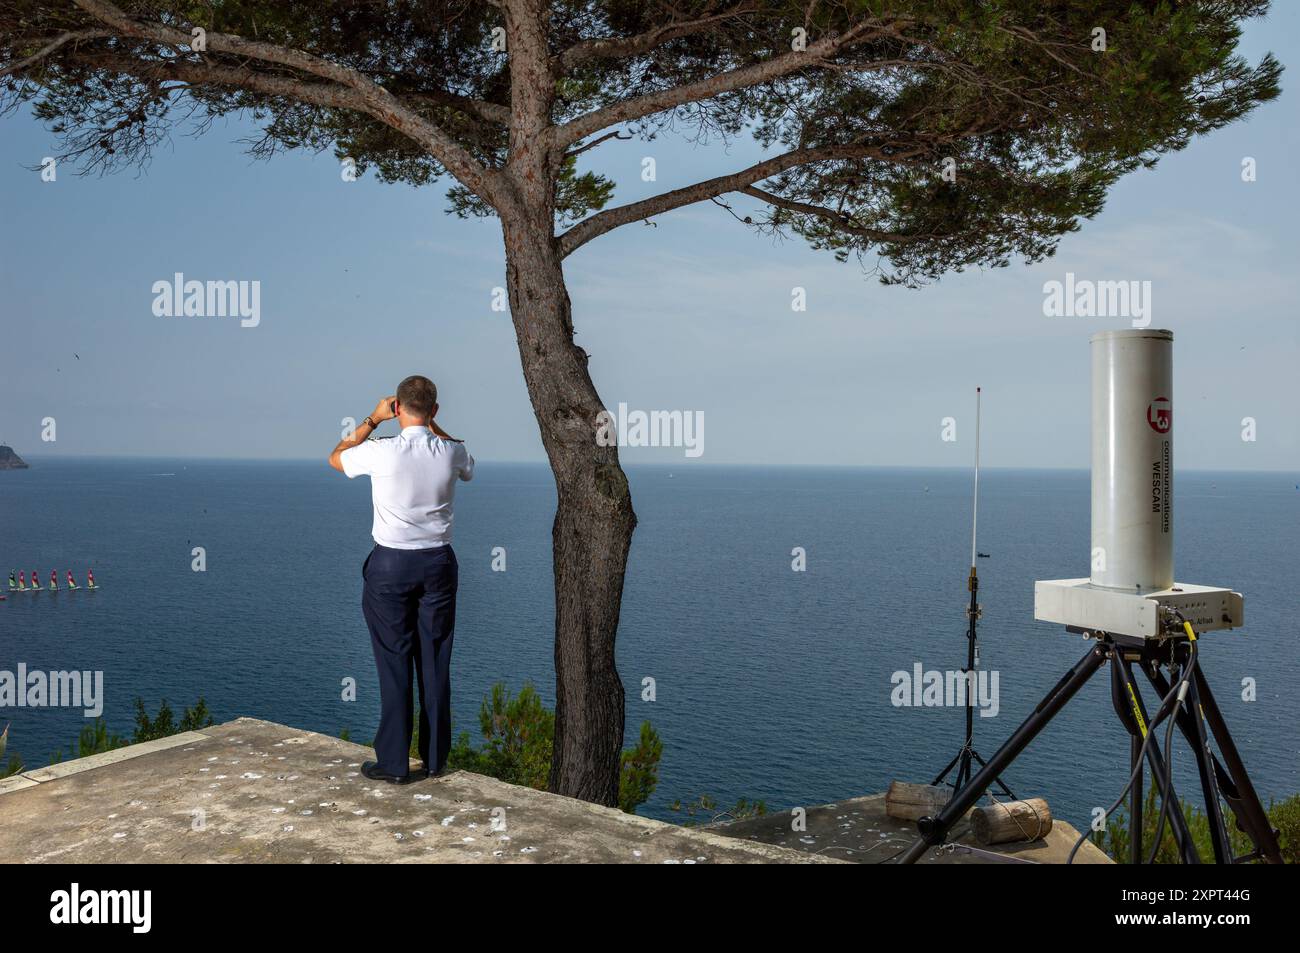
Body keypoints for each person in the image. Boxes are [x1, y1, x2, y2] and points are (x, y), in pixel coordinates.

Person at [328, 375, 474, 785]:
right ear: (435, 410)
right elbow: (467, 466)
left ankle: (393, 763)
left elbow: (336, 456)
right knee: (435, 660)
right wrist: (434, 426)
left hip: (390, 566)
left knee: (394, 662)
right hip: (438, 565)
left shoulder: (381, 450)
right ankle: (433, 759)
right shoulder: (452, 451)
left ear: (397, 409)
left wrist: (373, 421)